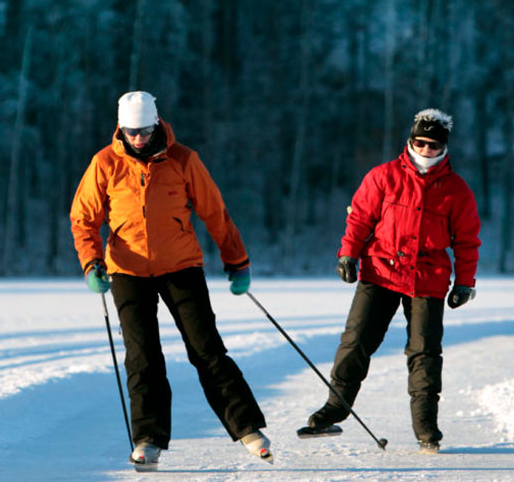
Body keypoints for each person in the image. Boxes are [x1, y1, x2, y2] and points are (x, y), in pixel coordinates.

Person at [70, 91, 271, 468]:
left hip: (181, 267)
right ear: (121, 128)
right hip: (128, 270)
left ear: (157, 123)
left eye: (145, 130)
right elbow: (83, 219)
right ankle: (148, 438)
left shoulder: (183, 159)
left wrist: (237, 260)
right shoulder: (105, 162)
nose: (139, 139)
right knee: (142, 356)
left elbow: (215, 212)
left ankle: (248, 429)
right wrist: (91, 262)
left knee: (207, 350)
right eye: (131, 132)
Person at [306, 108, 481, 454]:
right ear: (410, 140)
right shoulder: (384, 176)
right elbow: (359, 218)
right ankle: (335, 407)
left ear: (444, 147)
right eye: (420, 142)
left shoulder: (456, 190)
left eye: (433, 145)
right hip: (380, 271)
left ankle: (425, 425)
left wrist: (465, 282)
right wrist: (348, 254)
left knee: (424, 352)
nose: (426, 150)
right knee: (356, 341)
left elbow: (467, 241)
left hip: (427, 279)